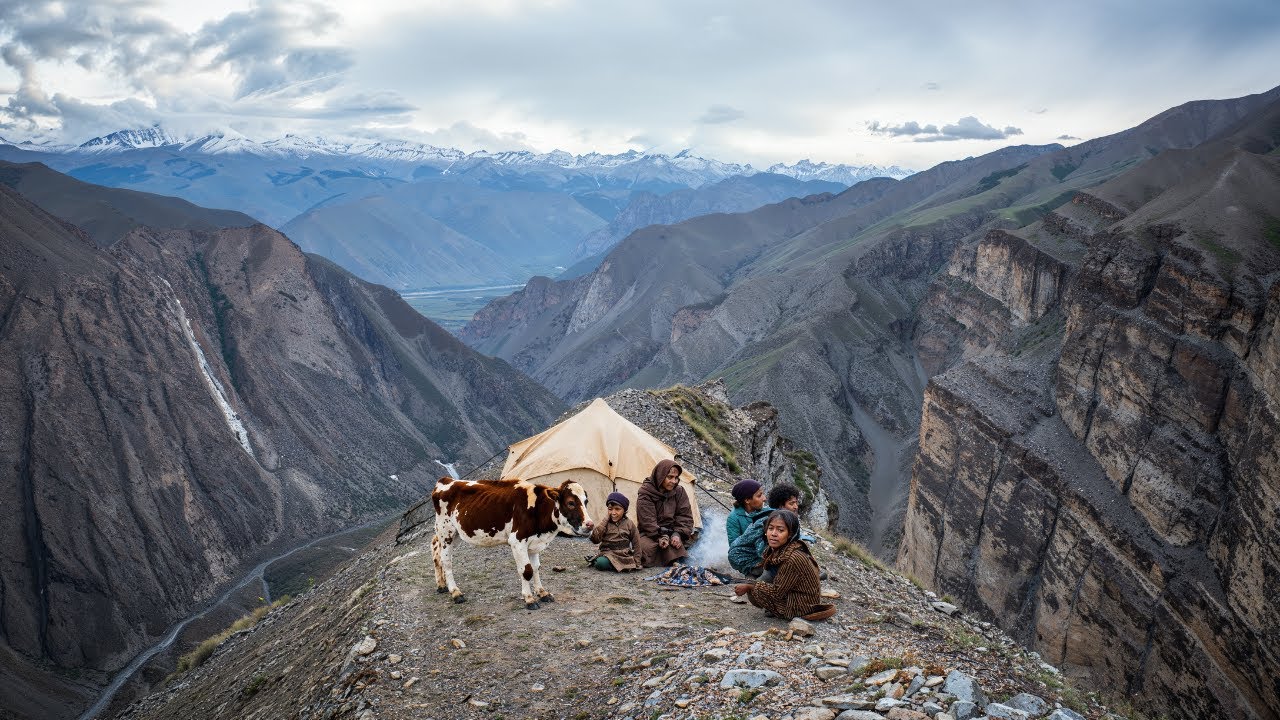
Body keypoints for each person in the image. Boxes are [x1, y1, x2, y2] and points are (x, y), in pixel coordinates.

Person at [733, 510, 834, 621]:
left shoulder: (792, 558)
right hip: (794, 595)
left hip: (800, 606)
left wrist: (750, 586)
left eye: (780, 530)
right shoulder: (779, 548)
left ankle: (781, 611)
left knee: (753, 588)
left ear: (790, 533)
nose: (774, 534)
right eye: (770, 528)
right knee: (753, 578)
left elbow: (776, 592)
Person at [728, 483, 810, 576]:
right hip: (745, 559)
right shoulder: (767, 521)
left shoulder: (787, 520)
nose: (796, 507)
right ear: (781, 506)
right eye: (791, 503)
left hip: (757, 555)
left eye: (796, 503)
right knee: (776, 571)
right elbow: (761, 549)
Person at [636, 459, 695, 567]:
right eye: (670, 477)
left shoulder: (679, 491)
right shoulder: (646, 493)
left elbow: (685, 517)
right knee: (648, 548)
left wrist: (677, 534)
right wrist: (661, 536)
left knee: (675, 545)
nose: (674, 481)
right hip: (650, 534)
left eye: (676, 478)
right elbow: (648, 522)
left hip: (672, 532)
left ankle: (672, 556)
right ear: (660, 476)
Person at [589, 492, 642, 572]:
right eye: (610, 509)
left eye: (617, 509)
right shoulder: (605, 523)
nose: (613, 513)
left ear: (624, 510)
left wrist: (637, 561)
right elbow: (595, 539)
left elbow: (637, 543)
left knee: (637, 560)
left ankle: (621, 566)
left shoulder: (629, 524)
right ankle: (620, 567)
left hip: (624, 555)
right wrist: (605, 520)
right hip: (608, 554)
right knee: (601, 563)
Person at [726, 479, 771, 544]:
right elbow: (734, 547)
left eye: (762, 494)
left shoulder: (766, 511)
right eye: (759, 496)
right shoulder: (734, 519)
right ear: (747, 500)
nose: (764, 498)